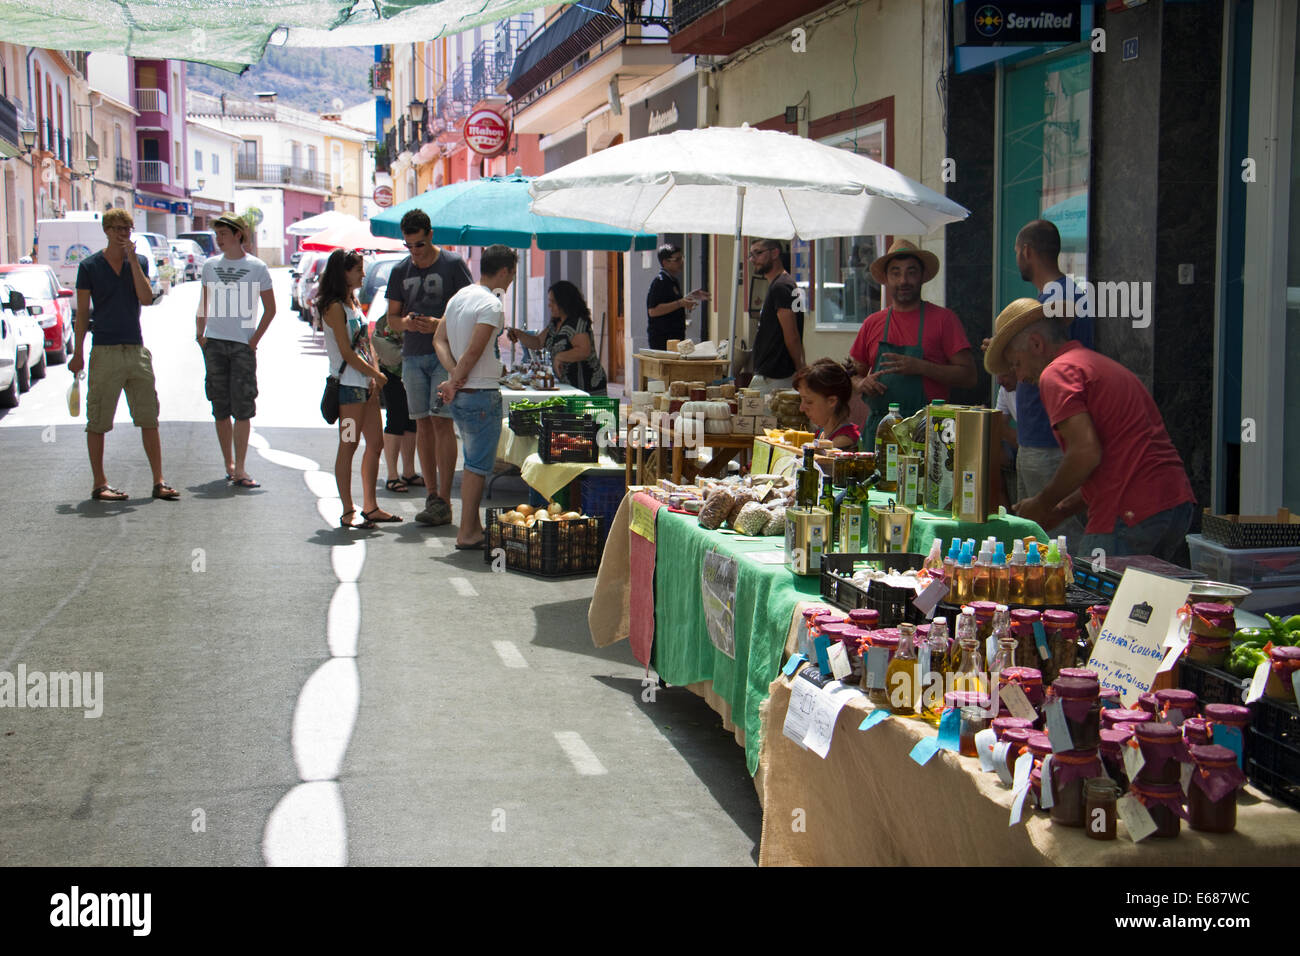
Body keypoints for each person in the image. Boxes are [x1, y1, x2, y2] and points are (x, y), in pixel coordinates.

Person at [984, 298, 1196, 563]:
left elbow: (1085, 453)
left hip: (1127, 510)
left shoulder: (1057, 373)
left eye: (1016, 363)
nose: (1020, 376)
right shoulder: (1093, 364)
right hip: (1174, 504)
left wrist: (1042, 501)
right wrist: (1059, 510)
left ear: (1037, 344)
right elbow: (1113, 460)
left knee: (1092, 600)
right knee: (1144, 603)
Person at [68, 208, 178, 502]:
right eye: (116, 229)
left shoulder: (138, 262)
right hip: (104, 350)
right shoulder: (89, 267)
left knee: (148, 417)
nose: (121, 234)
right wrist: (77, 353)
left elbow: (145, 298)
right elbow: (81, 315)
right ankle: (99, 483)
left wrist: (132, 260)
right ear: (106, 231)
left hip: (136, 349)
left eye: (126, 229)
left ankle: (159, 481)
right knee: (98, 420)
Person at [1007, 219, 1094, 546]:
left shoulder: (1052, 303)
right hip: (1050, 433)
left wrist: (1008, 360)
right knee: (1040, 537)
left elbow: (1044, 360)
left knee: (1052, 540)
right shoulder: (1073, 294)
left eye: (1017, 252)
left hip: (1048, 436)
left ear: (1026, 252)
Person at [385, 209, 473, 526]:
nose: (415, 252)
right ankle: (432, 495)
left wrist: (437, 324)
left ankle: (445, 499)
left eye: (419, 245)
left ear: (431, 235)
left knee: (441, 422)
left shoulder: (453, 265)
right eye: (409, 246)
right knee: (422, 423)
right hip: (412, 356)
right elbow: (391, 319)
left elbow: (468, 311)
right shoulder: (399, 271)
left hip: (443, 355)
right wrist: (407, 323)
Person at [435, 245, 519, 550]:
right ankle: (467, 531)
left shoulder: (459, 297)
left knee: (473, 463)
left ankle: (473, 526)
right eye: (512, 274)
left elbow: (439, 339)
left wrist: (453, 376)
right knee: (476, 466)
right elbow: (474, 349)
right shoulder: (491, 305)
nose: (511, 281)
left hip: (466, 392)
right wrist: (456, 377)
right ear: (506, 270)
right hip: (480, 393)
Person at [850, 238, 977, 438]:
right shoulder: (872, 323)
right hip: (880, 431)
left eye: (911, 272)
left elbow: (969, 377)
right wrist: (860, 384)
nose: (903, 281)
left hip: (929, 431)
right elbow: (852, 374)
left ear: (922, 277)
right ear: (886, 278)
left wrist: (921, 367)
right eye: (896, 273)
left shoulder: (944, 320)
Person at [319, 250, 400, 530]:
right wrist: (375, 374)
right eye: (358, 270)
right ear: (343, 272)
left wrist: (374, 377)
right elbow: (346, 352)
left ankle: (371, 506)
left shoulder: (352, 302)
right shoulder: (333, 307)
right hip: (348, 389)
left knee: (375, 444)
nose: (363, 274)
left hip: (366, 387)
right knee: (349, 445)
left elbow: (364, 344)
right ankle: (347, 509)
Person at [196, 213, 275, 488]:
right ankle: (228, 463)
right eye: (217, 235)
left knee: (243, 407)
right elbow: (203, 301)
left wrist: (253, 341)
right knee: (219, 406)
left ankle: (240, 467)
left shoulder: (257, 267)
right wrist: (200, 334)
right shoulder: (209, 266)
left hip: (242, 344)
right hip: (215, 342)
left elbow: (271, 309)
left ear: (238, 235)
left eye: (223, 235)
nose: (219, 240)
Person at [506, 280, 607, 394]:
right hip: (569, 385)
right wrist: (518, 333)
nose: (549, 305)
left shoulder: (577, 323)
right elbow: (538, 342)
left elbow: (584, 350)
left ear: (564, 302)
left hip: (588, 386)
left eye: (553, 302)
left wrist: (559, 357)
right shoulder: (554, 324)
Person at [371, 312, 421, 493]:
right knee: (396, 419)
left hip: (411, 371)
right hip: (393, 372)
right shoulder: (393, 316)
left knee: (411, 421)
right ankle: (392, 475)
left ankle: (409, 471)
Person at [748, 238, 804, 395]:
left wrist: (800, 368)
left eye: (758, 253)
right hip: (774, 373)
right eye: (751, 255)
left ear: (775, 253)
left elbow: (792, 334)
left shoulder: (781, 286)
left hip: (776, 375)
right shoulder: (783, 284)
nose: (753, 260)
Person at [645, 243, 708, 350]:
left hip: (675, 337)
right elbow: (653, 311)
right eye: (677, 259)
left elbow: (672, 302)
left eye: (682, 258)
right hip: (663, 340)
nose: (682, 262)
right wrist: (681, 303)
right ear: (665, 262)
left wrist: (690, 296)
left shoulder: (672, 281)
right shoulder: (660, 282)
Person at [793, 358, 861, 449]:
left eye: (809, 402)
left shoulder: (842, 441)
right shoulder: (822, 433)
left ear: (831, 401)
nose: (801, 408)